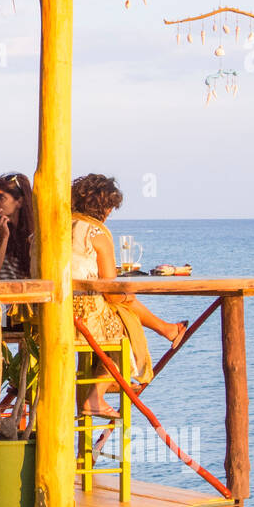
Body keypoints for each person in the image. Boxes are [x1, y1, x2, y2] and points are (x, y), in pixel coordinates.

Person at [71, 174, 187, 418]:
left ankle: (165, 331)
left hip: (47, 312)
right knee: (125, 318)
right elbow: (111, 291)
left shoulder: (53, 229)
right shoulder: (95, 233)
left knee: (125, 302)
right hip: (80, 318)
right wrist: (126, 295)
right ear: (106, 208)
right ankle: (97, 394)